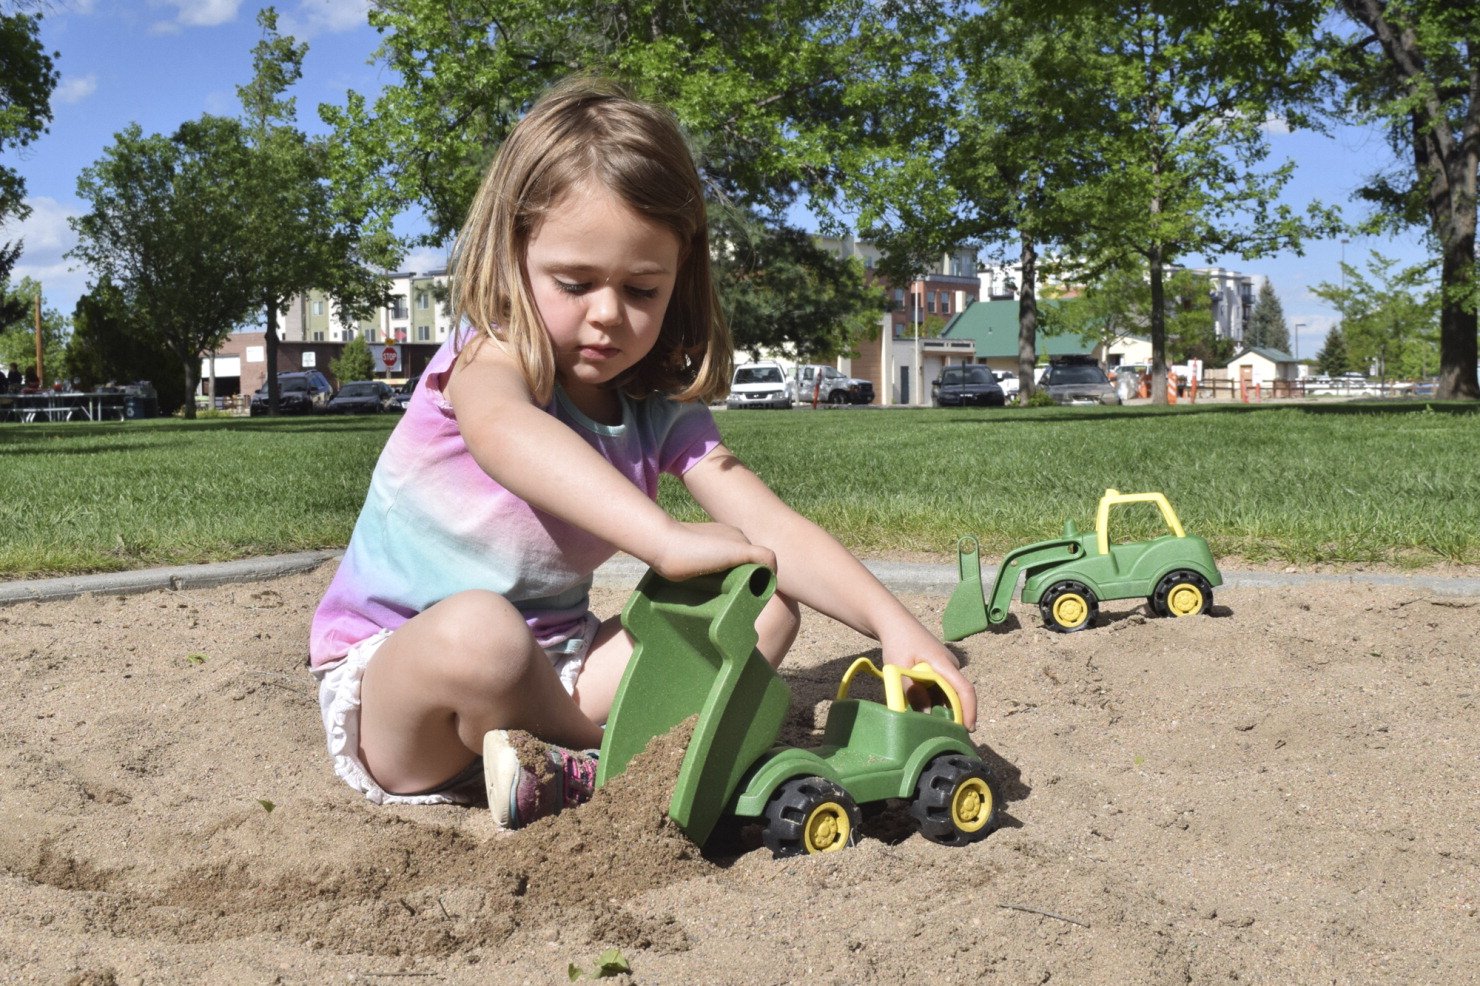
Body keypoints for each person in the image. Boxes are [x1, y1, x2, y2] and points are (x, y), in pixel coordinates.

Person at [308, 76, 976, 831]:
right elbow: (504, 434)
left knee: (758, 591)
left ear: (679, 280)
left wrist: (892, 625)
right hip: (409, 694)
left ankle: (578, 771)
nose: (607, 315)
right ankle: (606, 764)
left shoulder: (657, 409)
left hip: (562, 675)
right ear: (513, 253)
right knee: (482, 633)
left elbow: (772, 529)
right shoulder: (489, 358)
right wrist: (661, 538)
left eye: (642, 290)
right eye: (575, 282)